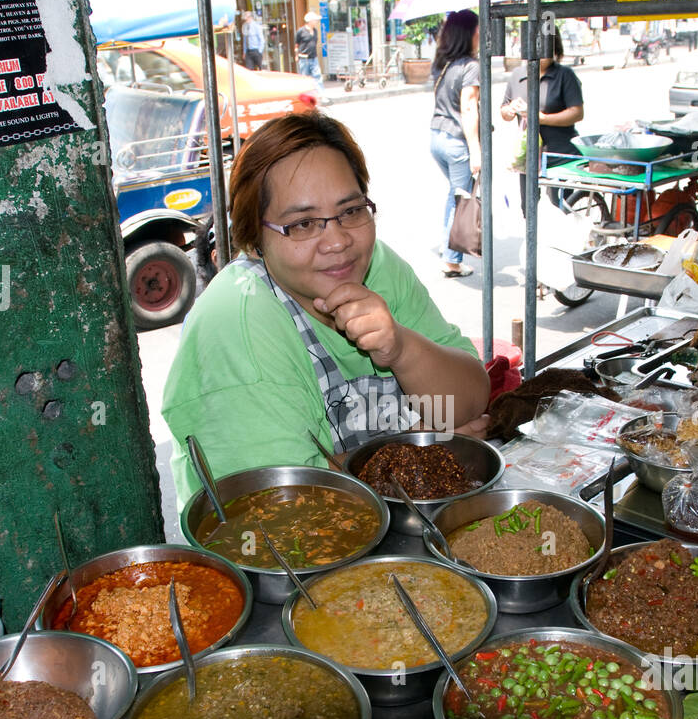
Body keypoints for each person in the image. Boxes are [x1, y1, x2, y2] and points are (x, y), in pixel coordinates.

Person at [161, 112, 491, 504]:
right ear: (254, 239)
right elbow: (282, 502)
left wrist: (401, 349)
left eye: (351, 211)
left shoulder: (377, 266)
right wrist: (421, 452)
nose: (337, 241)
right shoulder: (237, 322)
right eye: (301, 224)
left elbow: (469, 402)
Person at [500, 31, 584, 213]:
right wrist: (510, 109)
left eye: (545, 49)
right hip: (528, 155)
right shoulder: (517, 75)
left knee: (559, 208)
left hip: (560, 154)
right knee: (528, 209)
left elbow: (577, 113)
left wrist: (543, 118)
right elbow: (504, 111)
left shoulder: (564, 75)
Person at [429, 9, 482, 279]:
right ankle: (451, 261)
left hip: (436, 137)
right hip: (456, 142)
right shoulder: (471, 66)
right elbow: (469, 108)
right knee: (461, 199)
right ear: (471, 33)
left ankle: (445, 245)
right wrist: (476, 150)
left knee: (453, 194)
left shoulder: (443, 63)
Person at [296, 12, 323, 89]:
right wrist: (297, 55)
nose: (317, 22)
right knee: (305, 78)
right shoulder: (301, 31)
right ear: (310, 21)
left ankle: (321, 95)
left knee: (317, 76)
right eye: (315, 20)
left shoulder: (315, 31)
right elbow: (297, 44)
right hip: (304, 58)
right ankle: (306, 95)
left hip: (314, 57)